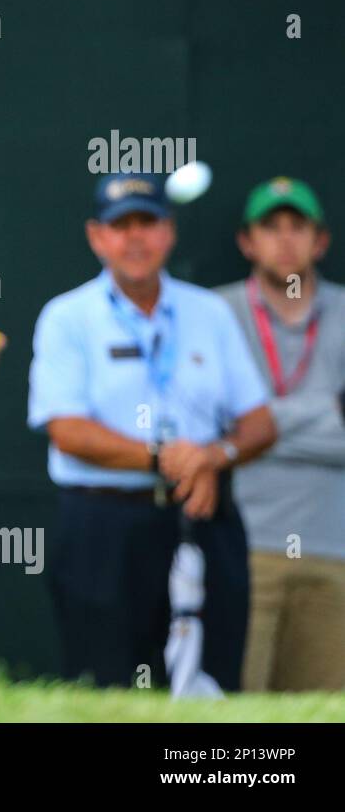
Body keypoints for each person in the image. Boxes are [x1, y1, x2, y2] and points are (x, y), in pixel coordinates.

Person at [27, 172, 277, 689]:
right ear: (97, 236)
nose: (135, 237)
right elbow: (68, 430)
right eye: (122, 226)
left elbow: (259, 423)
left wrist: (214, 457)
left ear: (170, 231)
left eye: (149, 222)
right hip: (105, 526)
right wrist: (169, 457)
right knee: (106, 687)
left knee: (211, 684)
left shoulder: (209, 312)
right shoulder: (67, 317)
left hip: (203, 516)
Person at [215, 177, 345, 691]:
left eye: (298, 227)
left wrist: (255, 429)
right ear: (247, 241)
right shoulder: (213, 314)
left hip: (336, 553)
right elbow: (206, 427)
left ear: (321, 241)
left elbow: (235, 431)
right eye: (271, 227)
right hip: (239, 549)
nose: (285, 240)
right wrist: (329, 412)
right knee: (231, 714)